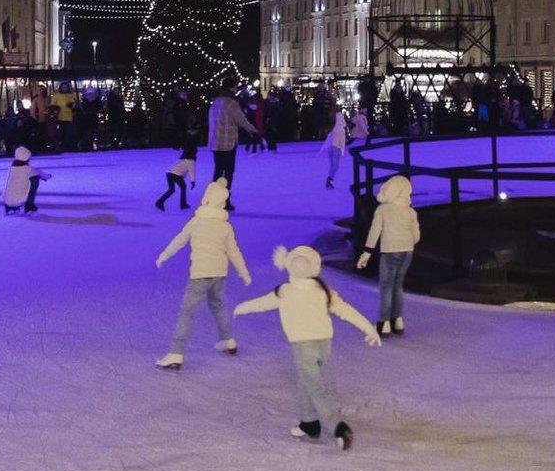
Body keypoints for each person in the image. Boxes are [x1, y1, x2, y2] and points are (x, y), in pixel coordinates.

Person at [233, 245, 380, 449]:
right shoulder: (323, 291)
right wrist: (368, 328)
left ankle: (338, 426)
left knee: (314, 386)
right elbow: (346, 310)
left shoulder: (285, 291)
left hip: (303, 346)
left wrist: (242, 307)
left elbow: (262, 303)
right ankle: (309, 423)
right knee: (308, 383)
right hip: (324, 344)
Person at [155, 180, 252, 370]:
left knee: (187, 313)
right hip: (218, 274)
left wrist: (163, 256)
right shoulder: (225, 226)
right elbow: (234, 252)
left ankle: (176, 353)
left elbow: (179, 240)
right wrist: (244, 273)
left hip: (200, 275)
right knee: (218, 306)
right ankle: (229, 341)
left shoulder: (197, 221)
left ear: (206, 199)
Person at [355, 175, 419, 338]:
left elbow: (375, 232)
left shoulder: (383, 210)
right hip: (407, 252)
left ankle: (384, 323)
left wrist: (367, 252)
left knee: (386, 286)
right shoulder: (410, 212)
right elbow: (416, 236)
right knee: (398, 285)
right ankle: (397, 319)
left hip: (390, 251)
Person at [207, 82, 259, 209]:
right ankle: (225, 200)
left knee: (218, 170)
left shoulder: (216, 102)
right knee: (228, 172)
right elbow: (241, 120)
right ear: (231, 88)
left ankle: (213, 199)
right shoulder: (231, 103)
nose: (236, 89)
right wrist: (254, 130)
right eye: (235, 87)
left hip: (215, 142)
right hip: (228, 142)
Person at [1, 146, 50, 215]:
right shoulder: (28, 169)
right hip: (19, 200)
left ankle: (10, 208)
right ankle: (29, 206)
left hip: (7, 201)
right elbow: (41, 174)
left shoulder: (11, 169)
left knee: (13, 183)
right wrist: (48, 176)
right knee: (35, 179)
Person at [155, 144, 198, 211]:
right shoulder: (191, 161)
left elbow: (184, 149)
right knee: (182, 187)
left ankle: (160, 202)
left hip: (170, 174)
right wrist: (193, 181)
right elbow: (191, 172)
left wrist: (180, 147)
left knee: (172, 190)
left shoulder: (183, 159)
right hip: (176, 175)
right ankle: (183, 204)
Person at [321, 107, 350, 190]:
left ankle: (329, 180)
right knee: (336, 165)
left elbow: (330, 137)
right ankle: (330, 179)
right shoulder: (340, 130)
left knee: (333, 165)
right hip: (336, 147)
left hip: (331, 147)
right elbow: (341, 141)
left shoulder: (334, 128)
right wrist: (342, 149)